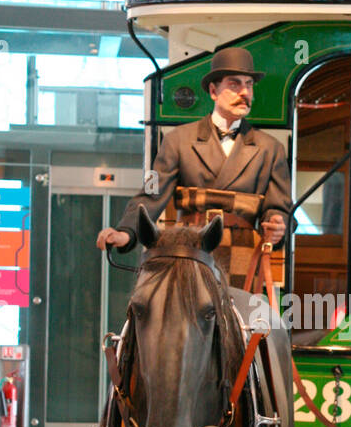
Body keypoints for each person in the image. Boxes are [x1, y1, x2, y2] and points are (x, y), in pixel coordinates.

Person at [96, 47, 289, 274]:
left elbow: (279, 208)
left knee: (243, 309)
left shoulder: (271, 149)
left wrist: (277, 225)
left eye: (249, 85)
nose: (245, 92)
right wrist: (127, 232)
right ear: (213, 91)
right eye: (235, 84)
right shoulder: (177, 140)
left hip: (242, 254)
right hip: (188, 249)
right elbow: (151, 194)